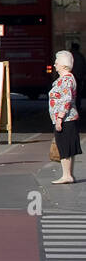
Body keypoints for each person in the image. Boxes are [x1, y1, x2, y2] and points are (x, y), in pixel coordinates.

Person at [50, 50, 80, 184]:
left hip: (65, 119)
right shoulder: (64, 79)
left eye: (57, 62)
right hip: (65, 118)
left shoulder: (66, 79)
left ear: (63, 64)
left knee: (65, 147)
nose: (55, 64)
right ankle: (66, 174)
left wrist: (60, 118)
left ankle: (67, 175)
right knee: (64, 146)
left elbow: (66, 99)